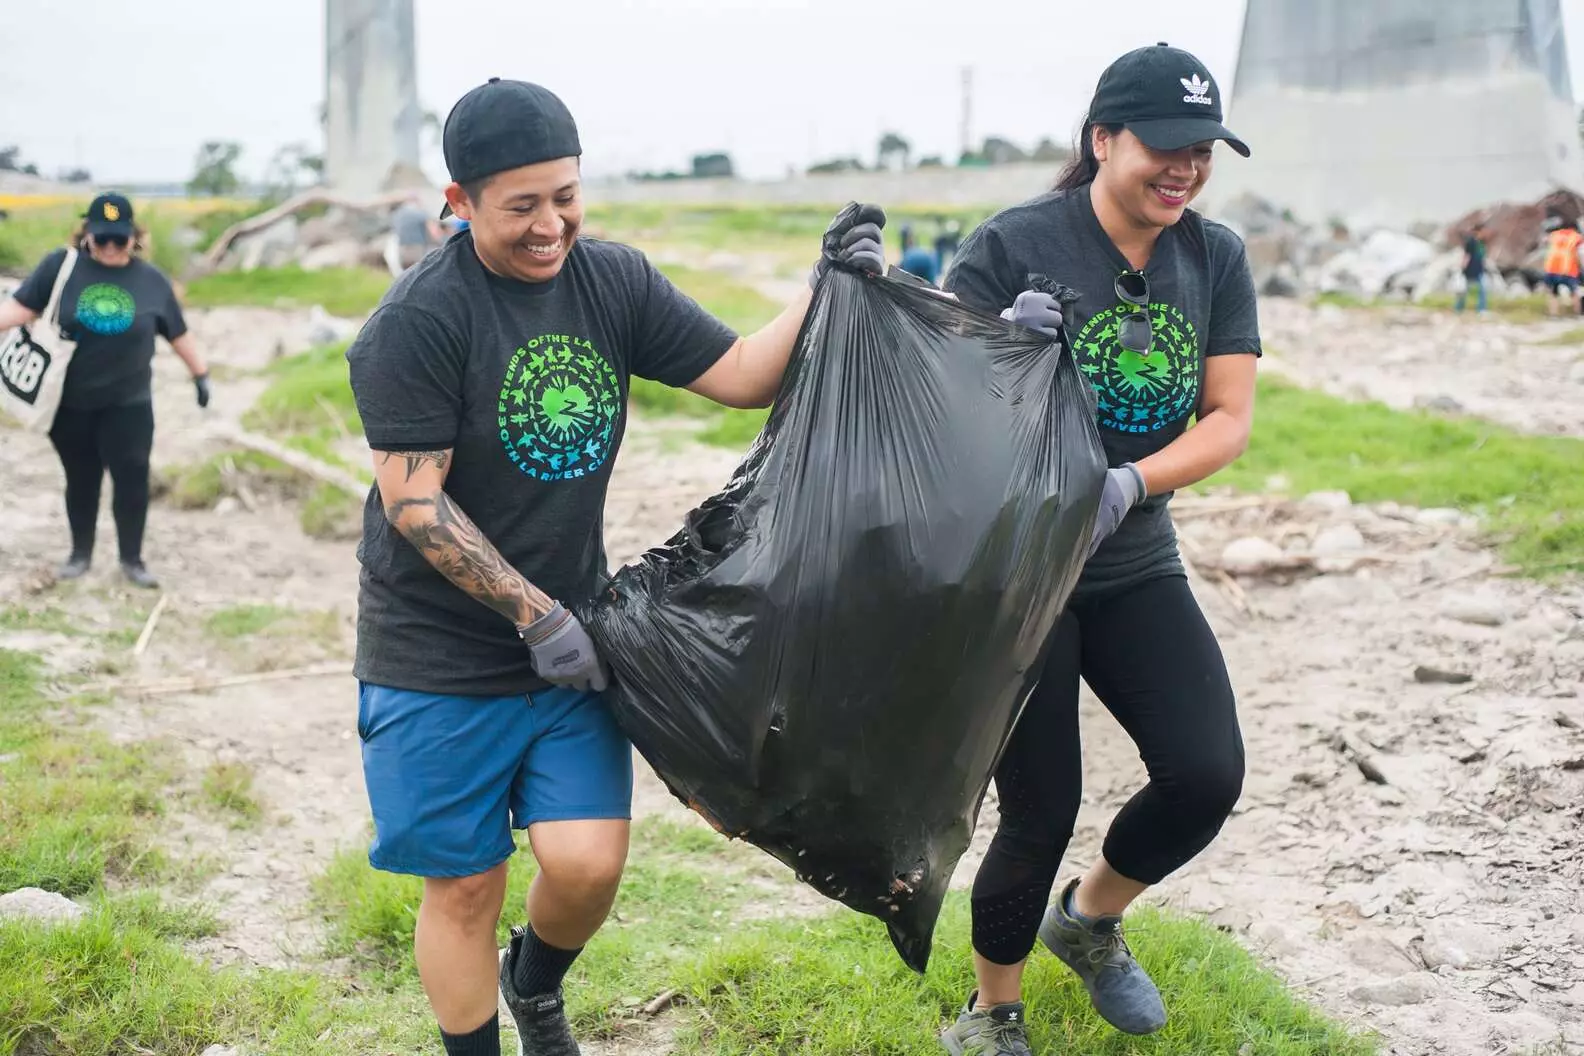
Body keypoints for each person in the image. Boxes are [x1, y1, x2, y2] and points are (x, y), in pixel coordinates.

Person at [344, 77, 885, 1056]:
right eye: (522, 206)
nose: (551, 224)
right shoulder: (418, 320)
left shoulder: (611, 283)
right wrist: (532, 615)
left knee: (588, 863)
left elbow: (740, 376)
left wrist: (824, 285)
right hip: (435, 653)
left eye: (567, 196)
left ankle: (535, 982)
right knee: (464, 884)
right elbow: (413, 504)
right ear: (458, 204)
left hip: (573, 640)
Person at [937, 42, 1260, 1055]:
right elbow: (936, 409)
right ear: (1102, 140)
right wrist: (1005, 355)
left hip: (1131, 558)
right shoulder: (1012, 245)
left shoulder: (1215, 256)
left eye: (1202, 149)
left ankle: (1089, 918)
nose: (1185, 168)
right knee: (1041, 807)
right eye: (1165, 147)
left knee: (1205, 773)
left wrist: (1133, 480)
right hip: (1018, 573)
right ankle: (991, 1013)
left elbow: (1227, 416)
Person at [0, 192, 210, 589]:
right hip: (69, 405)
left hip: (129, 406)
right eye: (102, 239)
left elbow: (177, 333)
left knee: (131, 480)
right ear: (87, 235)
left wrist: (200, 374)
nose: (111, 247)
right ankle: (80, 555)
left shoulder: (152, 281)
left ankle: (132, 560)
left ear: (135, 237)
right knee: (81, 479)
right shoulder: (60, 267)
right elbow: (19, 310)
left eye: (120, 239)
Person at [391, 191, 446, 273]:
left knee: (406, 275)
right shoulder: (421, 212)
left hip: (402, 249)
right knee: (418, 274)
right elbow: (433, 231)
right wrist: (441, 243)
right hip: (417, 248)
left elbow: (396, 231)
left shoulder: (397, 214)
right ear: (416, 201)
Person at [1541, 215, 1582, 317]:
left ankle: (1553, 314)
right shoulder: (1576, 237)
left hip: (1551, 269)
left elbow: (1544, 242)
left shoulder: (1554, 235)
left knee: (1553, 293)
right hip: (1568, 269)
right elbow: (1579, 253)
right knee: (1574, 293)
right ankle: (1577, 314)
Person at [1454, 224, 1488, 316]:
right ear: (1478, 231)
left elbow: (1482, 257)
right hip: (1469, 270)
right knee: (1463, 291)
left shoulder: (1481, 243)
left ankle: (1481, 309)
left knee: (1483, 289)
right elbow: (1466, 256)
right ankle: (1458, 309)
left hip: (1479, 270)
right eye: (1483, 231)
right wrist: (1462, 269)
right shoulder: (1470, 242)